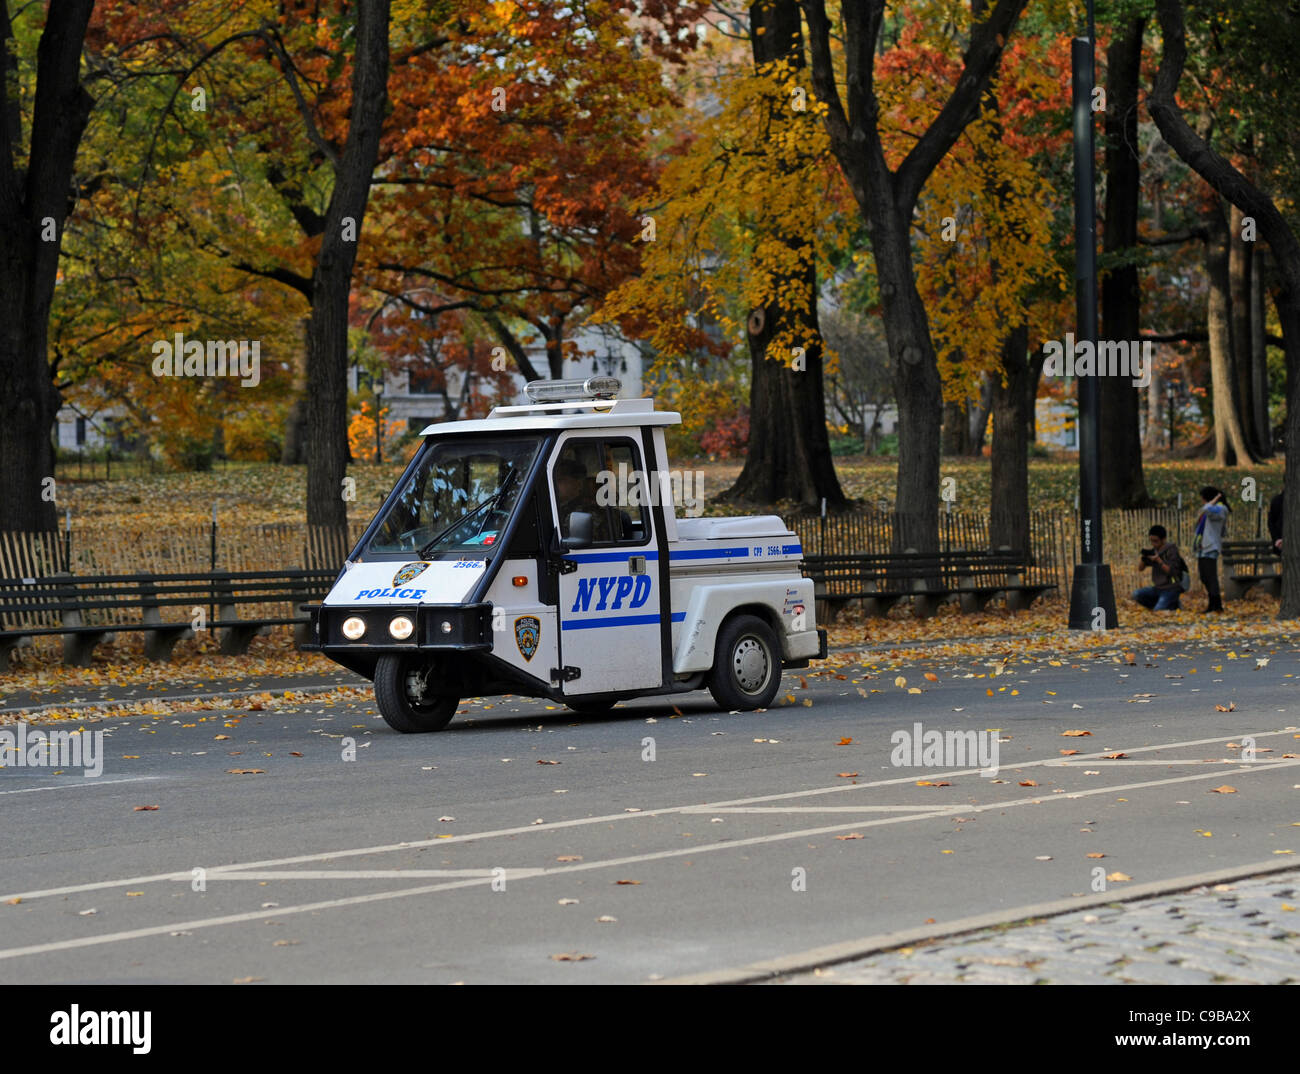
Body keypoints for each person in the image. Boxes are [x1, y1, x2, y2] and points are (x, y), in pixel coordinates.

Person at [1193, 486, 1229, 613]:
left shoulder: (1220, 509)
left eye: (1203, 499)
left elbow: (1206, 509)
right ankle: (1212, 603)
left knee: (1210, 576)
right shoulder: (1214, 508)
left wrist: (1215, 500)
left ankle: (1216, 605)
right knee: (1204, 576)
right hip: (1203, 546)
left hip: (1211, 546)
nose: (1203, 502)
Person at [1133, 524, 1185, 611]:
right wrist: (1144, 558)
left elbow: (1171, 572)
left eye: (1155, 541)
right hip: (1157, 588)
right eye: (1151, 541)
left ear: (1163, 539)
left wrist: (1158, 560)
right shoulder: (1154, 550)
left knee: (1158, 611)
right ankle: (1167, 604)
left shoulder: (1172, 551)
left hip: (1171, 589)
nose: (1153, 544)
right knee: (1136, 594)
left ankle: (1173, 603)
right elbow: (1140, 569)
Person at [1268, 491, 1284, 556]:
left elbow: (1271, 522)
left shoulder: (1277, 500)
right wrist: (1277, 539)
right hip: (1281, 542)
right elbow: (1271, 522)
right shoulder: (1277, 500)